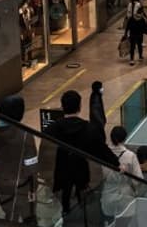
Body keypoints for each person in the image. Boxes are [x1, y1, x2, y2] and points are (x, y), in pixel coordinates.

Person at [42, 89, 113, 217]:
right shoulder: (89, 128)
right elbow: (102, 150)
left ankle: (66, 214)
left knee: (66, 199)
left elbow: (44, 157)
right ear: (80, 107)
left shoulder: (51, 129)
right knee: (84, 204)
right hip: (82, 173)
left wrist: (48, 179)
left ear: (62, 107)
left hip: (61, 174)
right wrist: (116, 164)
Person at [0, 95, 39, 223]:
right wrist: (33, 187)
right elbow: (32, 167)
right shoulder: (25, 135)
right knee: (29, 219)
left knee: (10, 216)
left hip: (2, 187)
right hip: (23, 187)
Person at [100, 125, 140, 227]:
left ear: (111, 137)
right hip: (125, 198)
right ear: (125, 138)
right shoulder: (130, 156)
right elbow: (137, 180)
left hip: (107, 196)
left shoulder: (102, 154)